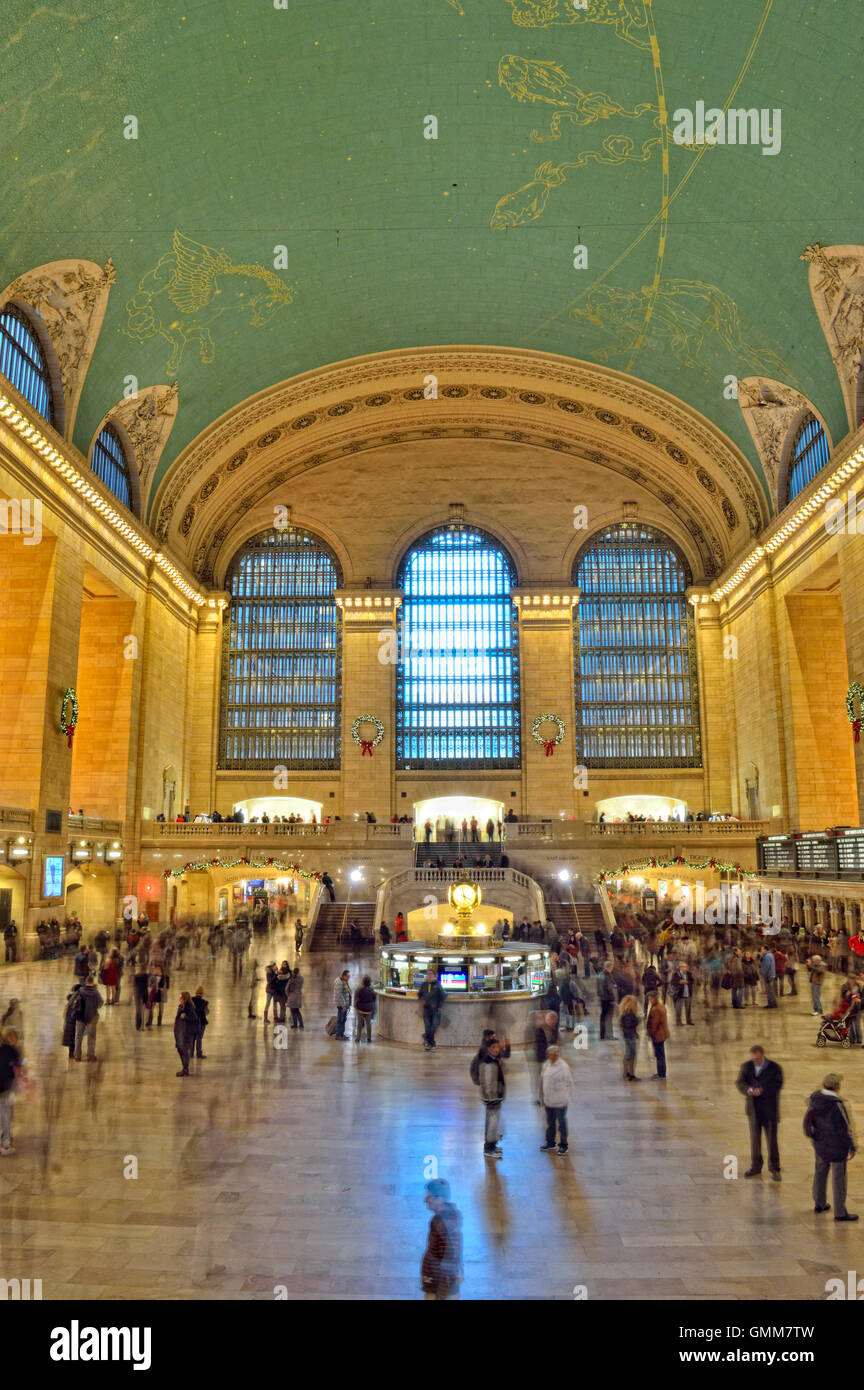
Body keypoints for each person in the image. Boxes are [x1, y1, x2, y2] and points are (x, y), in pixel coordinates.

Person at [806, 1072, 858, 1221]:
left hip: (820, 1144)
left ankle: (819, 1203)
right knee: (839, 1179)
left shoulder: (814, 1098)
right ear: (837, 1086)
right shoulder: (837, 1105)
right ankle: (840, 1212)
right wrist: (852, 1146)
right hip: (836, 1147)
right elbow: (845, 1127)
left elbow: (809, 1121)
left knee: (820, 1172)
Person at [736, 1044, 783, 1181]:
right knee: (755, 1141)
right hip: (753, 1111)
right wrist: (748, 1090)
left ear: (763, 1056)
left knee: (772, 1141)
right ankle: (756, 1166)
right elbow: (740, 1082)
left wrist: (762, 1090)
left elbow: (777, 1085)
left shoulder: (774, 1068)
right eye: (754, 1059)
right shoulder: (747, 1066)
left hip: (769, 1111)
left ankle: (775, 1168)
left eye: (758, 1059)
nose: (755, 1061)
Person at [420, 1178, 463, 1301]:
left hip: (440, 1291)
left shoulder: (445, 1222)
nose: (425, 1200)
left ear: (440, 1199)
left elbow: (450, 1263)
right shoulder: (440, 1219)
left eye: (429, 1197)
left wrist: (441, 1296)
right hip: (437, 1287)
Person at [539, 1044, 573, 1154]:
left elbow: (569, 1083)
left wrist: (565, 1095)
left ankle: (563, 1144)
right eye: (550, 1054)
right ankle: (550, 1142)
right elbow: (542, 1082)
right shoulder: (546, 1065)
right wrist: (541, 1097)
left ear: (558, 1054)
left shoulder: (563, 1067)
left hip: (560, 1101)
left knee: (561, 1122)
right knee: (550, 1122)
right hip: (549, 1100)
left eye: (554, 1054)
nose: (552, 1056)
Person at [478, 1039, 506, 1157]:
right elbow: (488, 1083)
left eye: (498, 1047)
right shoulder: (488, 1063)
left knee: (493, 1122)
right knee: (492, 1124)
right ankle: (489, 1149)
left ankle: (492, 1145)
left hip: (495, 1097)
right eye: (494, 1047)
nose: (496, 1050)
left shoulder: (494, 1061)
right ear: (489, 1048)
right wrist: (492, 1098)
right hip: (492, 1098)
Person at [0, 1028, 22, 1155]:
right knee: (6, 1114)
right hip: (6, 1088)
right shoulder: (10, 1050)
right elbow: (18, 1066)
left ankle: (4, 1138)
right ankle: (6, 1143)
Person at [73, 975, 103, 1061]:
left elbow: (72, 1001)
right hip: (92, 1017)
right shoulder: (95, 992)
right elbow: (100, 1003)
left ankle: (77, 1056)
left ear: (85, 982)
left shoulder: (80, 991)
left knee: (78, 1036)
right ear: (92, 983)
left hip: (80, 1017)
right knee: (92, 1037)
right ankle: (90, 1056)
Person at [417, 969, 445, 1051]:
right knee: (427, 1027)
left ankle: (426, 1037)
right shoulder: (424, 984)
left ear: (435, 976)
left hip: (435, 1010)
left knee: (434, 1026)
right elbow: (419, 994)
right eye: (427, 974)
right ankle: (431, 1044)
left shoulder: (438, 985)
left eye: (430, 974)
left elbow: (442, 995)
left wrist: (440, 1006)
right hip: (426, 1009)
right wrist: (421, 1000)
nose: (428, 976)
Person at [174, 991, 199, 1076]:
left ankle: (185, 1069)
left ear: (185, 999)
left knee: (184, 1051)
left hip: (187, 1033)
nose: (179, 999)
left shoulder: (190, 1007)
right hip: (180, 1032)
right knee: (180, 1049)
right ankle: (185, 1068)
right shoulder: (181, 1007)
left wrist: (186, 1017)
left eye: (181, 998)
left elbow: (195, 1018)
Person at [646, 991, 669, 1079]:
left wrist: (651, 1033)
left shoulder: (656, 1009)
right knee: (661, 1054)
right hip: (662, 1034)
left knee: (659, 1055)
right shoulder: (660, 1006)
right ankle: (661, 1073)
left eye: (650, 998)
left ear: (654, 998)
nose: (649, 1000)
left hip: (658, 1035)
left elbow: (654, 1024)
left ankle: (661, 1074)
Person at [620, 995, 640, 1081]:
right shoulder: (629, 1014)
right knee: (631, 1054)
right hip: (630, 1036)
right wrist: (638, 1020)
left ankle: (626, 1072)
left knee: (628, 1053)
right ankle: (631, 1074)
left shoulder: (625, 1013)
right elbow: (629, 1025)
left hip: (628, 1035)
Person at [670, 960, 695, 1025]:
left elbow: (692, 981)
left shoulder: (689, 974)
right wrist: (679, 982)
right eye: (683, 967)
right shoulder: (676, 974)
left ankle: (688, 1021)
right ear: (680, 967)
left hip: (688, 994)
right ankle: (678, 1022)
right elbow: (672, 982)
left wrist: (687, 982)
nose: (684, 968)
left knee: (688, 1009)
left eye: (685, 967)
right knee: (679, 1009)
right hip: (679, 994)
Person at [597, 960, 616, 1040]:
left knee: (603, 1016)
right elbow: (609, 988)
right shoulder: (607, 976)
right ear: (608, 967)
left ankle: (602, 1034)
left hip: (602, 999)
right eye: (611, 967)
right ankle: (609, 1035)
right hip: (608, 999)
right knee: (609, 1017)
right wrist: (613, 998)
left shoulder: (600, 975)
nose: (612, 969)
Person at [354, 975, 376, 1043]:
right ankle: (369, 1038)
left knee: (360, 1024)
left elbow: (357, 999)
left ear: (363, 982)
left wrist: (356, 1007)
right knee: (368, 1024)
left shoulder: (359, 990)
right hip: (368, 1010)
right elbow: (374, 999)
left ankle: (358, 1038)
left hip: (360, 1009)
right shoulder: (372, 990)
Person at [333, 970, 351, 1040]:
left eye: (349, 976)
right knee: (340, 1019)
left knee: (343, 1019)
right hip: (341, 1004)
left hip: (345, 1004)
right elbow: (339, 995)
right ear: (343, 976)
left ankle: (341, 1034)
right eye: (348, 976)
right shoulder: (339, 982)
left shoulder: (344, 981)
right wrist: (343, 1005)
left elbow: (346, 992)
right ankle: (338, 1035)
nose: (349, 978)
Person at [192, 986, 209, 1057]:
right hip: (201, 1022)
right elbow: (206, 1012)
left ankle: (190, 1053)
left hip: (192, 1022)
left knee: (192, 1037)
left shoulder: (191, 1000)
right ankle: (199, 1053)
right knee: (199, 1038)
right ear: (202, 994)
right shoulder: (204, 1002)